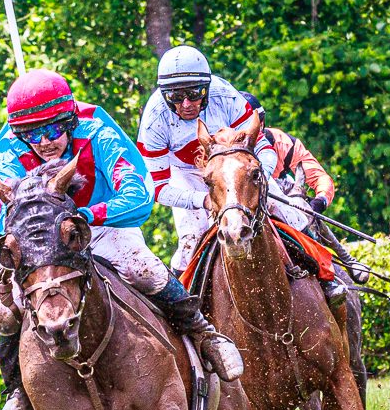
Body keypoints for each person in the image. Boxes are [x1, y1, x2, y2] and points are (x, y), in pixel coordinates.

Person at [0, 68, 243, 410]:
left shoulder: (99, 132)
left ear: (69, 120)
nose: (43, 142)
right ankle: (17, 392)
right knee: (1, 312)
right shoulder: (9, 147)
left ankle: (205, 335)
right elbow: (3, 219)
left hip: (101, 224)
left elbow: (139, 196)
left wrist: (83, 216)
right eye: (32, 134)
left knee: (145, 269)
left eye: (52, 131)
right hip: (43, 242)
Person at [136, 46, 346, 307]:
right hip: (186, 175)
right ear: (163, 94)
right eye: (175, 97)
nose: (186, 104)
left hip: (237, 168)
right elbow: (158, 189)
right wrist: (204, 200)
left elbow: (264, 148)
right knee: (191, 237)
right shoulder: (153, 119)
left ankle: (327, 278)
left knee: (292, 212)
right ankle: (184, 312)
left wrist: (258, 178)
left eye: (193, 94)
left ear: (207, 88)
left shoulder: (226, 95)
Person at [239, 91, 371, 285]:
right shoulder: (224, 153)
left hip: (282, 200)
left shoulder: (283, 143)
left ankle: (344, 263)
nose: (250, 136)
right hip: (240, 207)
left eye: (255, 127)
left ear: (263, 123)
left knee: (304, 208)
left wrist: (319, 201)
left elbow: (319, 177)